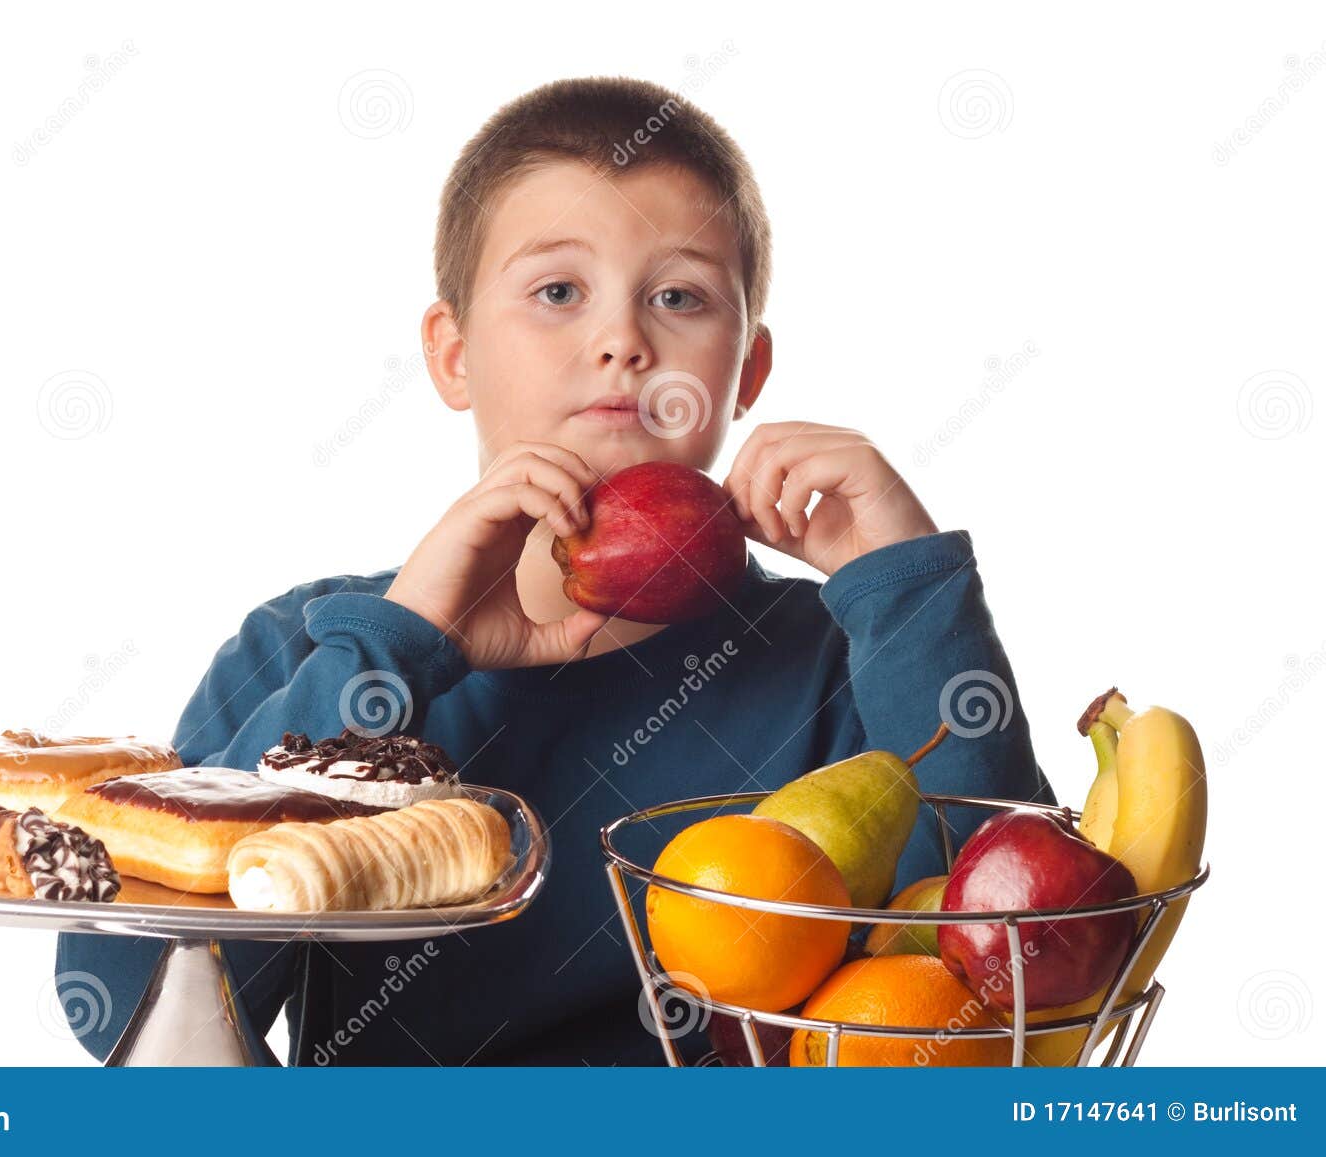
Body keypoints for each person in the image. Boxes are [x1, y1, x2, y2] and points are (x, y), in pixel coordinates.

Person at [57, 75, 1053, 1066]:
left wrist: (907, 593)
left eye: (678, 296)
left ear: (745, 370)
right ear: (453, 355)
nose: (622, 341)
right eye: (558, 292)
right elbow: (127, 1013)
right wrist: (396, 651)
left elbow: (1001, 976)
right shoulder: (305, 648)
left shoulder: (842, 660)